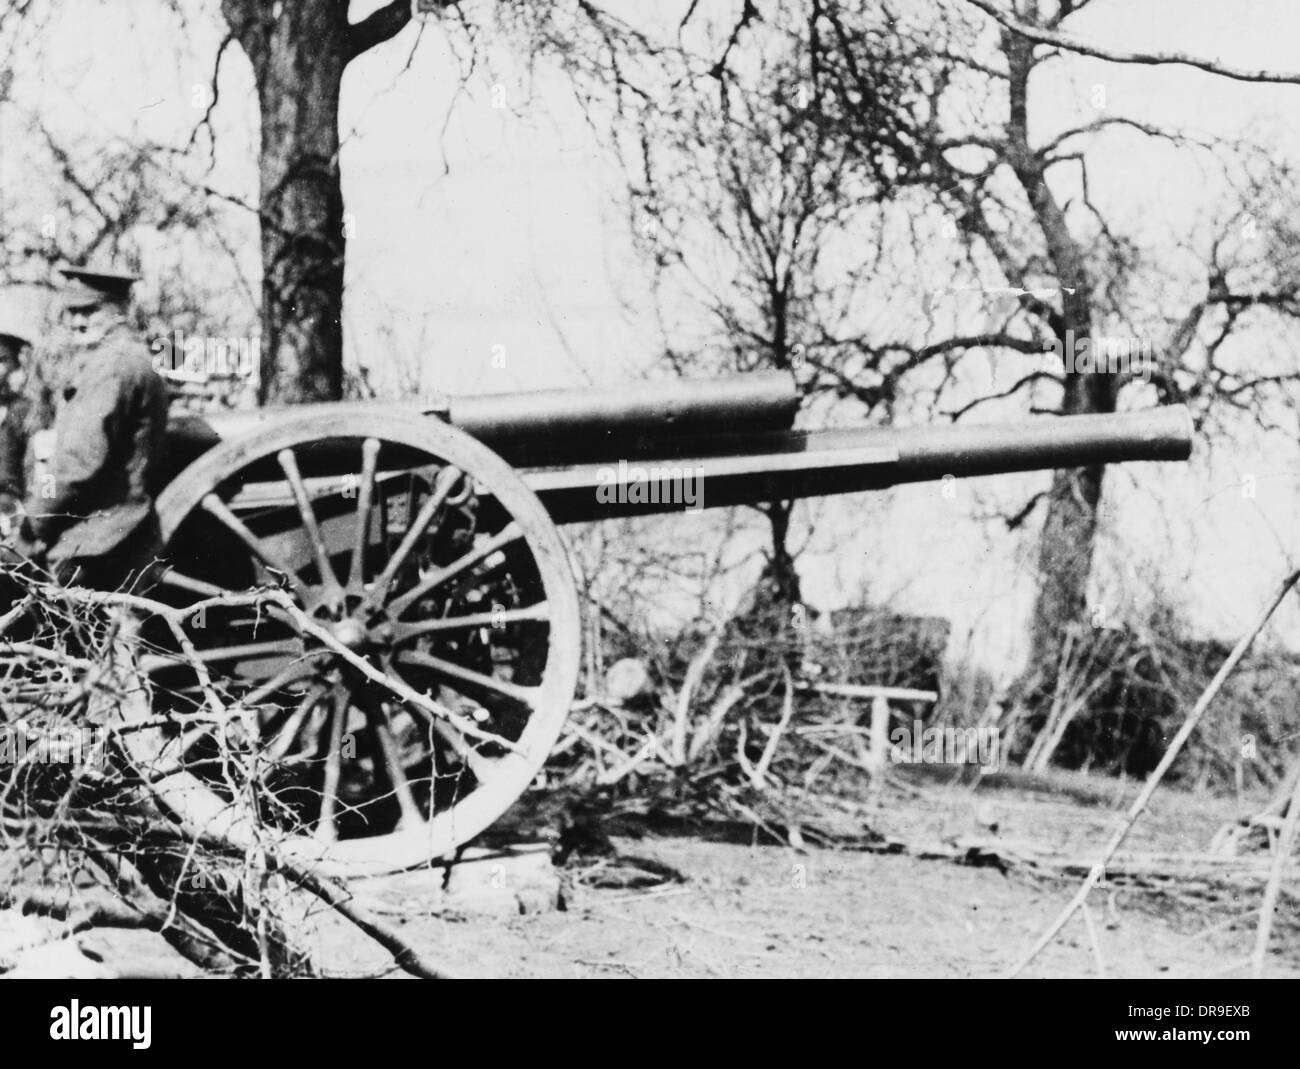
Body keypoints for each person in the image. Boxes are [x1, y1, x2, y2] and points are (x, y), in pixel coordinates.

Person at [13, 267, 169, 591]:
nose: (77, 322)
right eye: (71, 312)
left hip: (96, 537)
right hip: (104, 530)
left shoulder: (113, 366)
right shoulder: (128, 359)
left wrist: (33, 524)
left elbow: (77, 462)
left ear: (121, 311)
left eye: (90, 310)